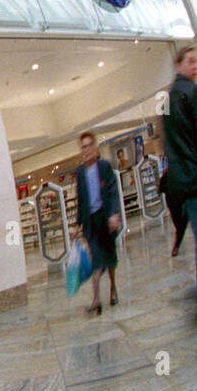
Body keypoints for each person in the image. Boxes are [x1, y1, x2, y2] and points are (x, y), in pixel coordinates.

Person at [162, 45, 197, 318]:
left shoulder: (167, 100)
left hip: (183, 184)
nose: (196, 66)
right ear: (179, 64)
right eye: (191, 62)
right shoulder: (195, 94)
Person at [73, 131, 122, 316]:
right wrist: (78, 225)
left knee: (110, 259)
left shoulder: (104, 167)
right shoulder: (80, 172)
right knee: (96, 261)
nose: (85, 150)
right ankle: (96, 299)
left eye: (88, 146)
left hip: (106, 219)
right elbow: (81, 201)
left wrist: (114, 214)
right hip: (91, 223)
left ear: (95, 147)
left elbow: (113, 191)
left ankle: (113, 288)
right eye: (82, 147)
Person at [159, 163, 188, 256]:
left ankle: (177, 243)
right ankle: (177, 241)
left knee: (180, 223)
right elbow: (161, 189)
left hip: (178, 202)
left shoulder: (177, 173)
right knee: (179, 223)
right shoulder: (169, 175)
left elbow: (161, 189)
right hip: (175, 202)